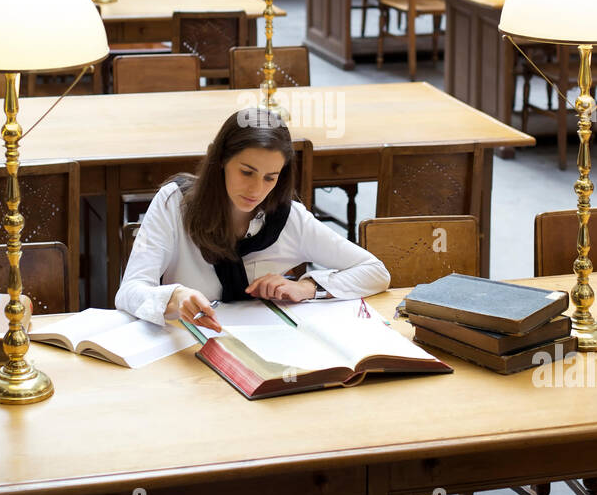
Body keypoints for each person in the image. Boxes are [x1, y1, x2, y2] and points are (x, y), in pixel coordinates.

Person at [115, 108, 390, 331]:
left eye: (270, 177)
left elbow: (375, 271)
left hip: (266, 350)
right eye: (247, 172)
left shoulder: (288, 219)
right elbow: (129, 291)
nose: (257, 190)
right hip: (184, 353)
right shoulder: (174, 204)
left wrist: (306, 287)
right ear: (220, 159)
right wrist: (174, 297)